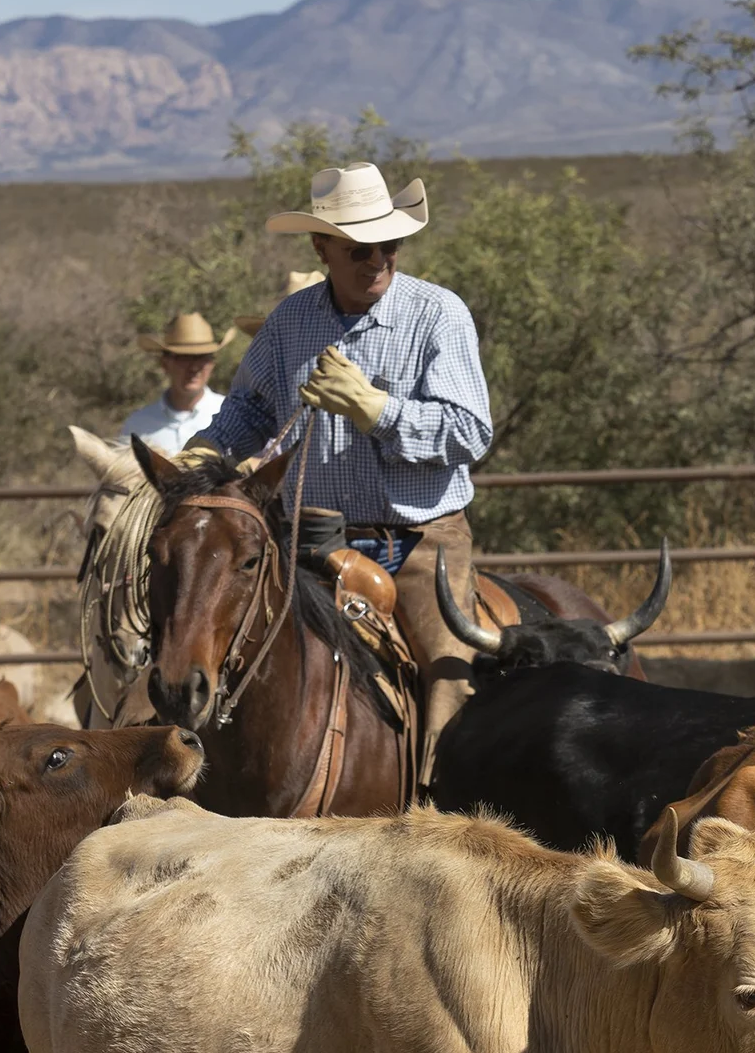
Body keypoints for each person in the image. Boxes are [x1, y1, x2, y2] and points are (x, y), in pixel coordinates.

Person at [181, 162, 492, 779]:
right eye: (359, 248)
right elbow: (248, 411)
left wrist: (377, 410)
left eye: (389, 245)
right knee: (200, 638)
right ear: (321, 246)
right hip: (309, 540)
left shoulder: (438, 315)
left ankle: (442, 806)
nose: (378, 258)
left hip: (421, 542)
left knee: (449, 675)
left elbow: (470, 432)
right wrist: (203, 455)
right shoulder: (290, 321)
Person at [119, 314, 226, 453]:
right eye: (184, 358)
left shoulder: (232, 415)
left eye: (202, 358)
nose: (194, 368)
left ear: (212, 364)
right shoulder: (137, 426)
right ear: (165, 364)